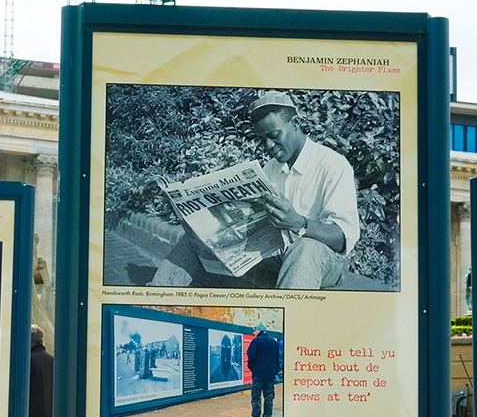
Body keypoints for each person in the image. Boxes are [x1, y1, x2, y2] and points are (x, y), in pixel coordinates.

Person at [149, 90, 361, 290]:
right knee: (196, 238)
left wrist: (300, 224)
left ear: (296, 123)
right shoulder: (271, 167)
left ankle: (288, 323)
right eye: (262, 139)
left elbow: (342, 237)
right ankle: (153, 303)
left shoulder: (332, 165)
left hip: (323, 259)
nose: (268, 146)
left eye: (274, 135)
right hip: (278, 250)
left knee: (305, 248)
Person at [246, 323, 280, 417]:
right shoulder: (274, 342)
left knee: (256, 396)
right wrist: (275, 372)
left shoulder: (256, 341)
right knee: (269, 397)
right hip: (270, 375)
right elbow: (277, 359)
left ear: (259, 331)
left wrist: (252, 368)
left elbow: (251, 355)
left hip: (258, 374)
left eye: (255, 331)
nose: (253, 333)